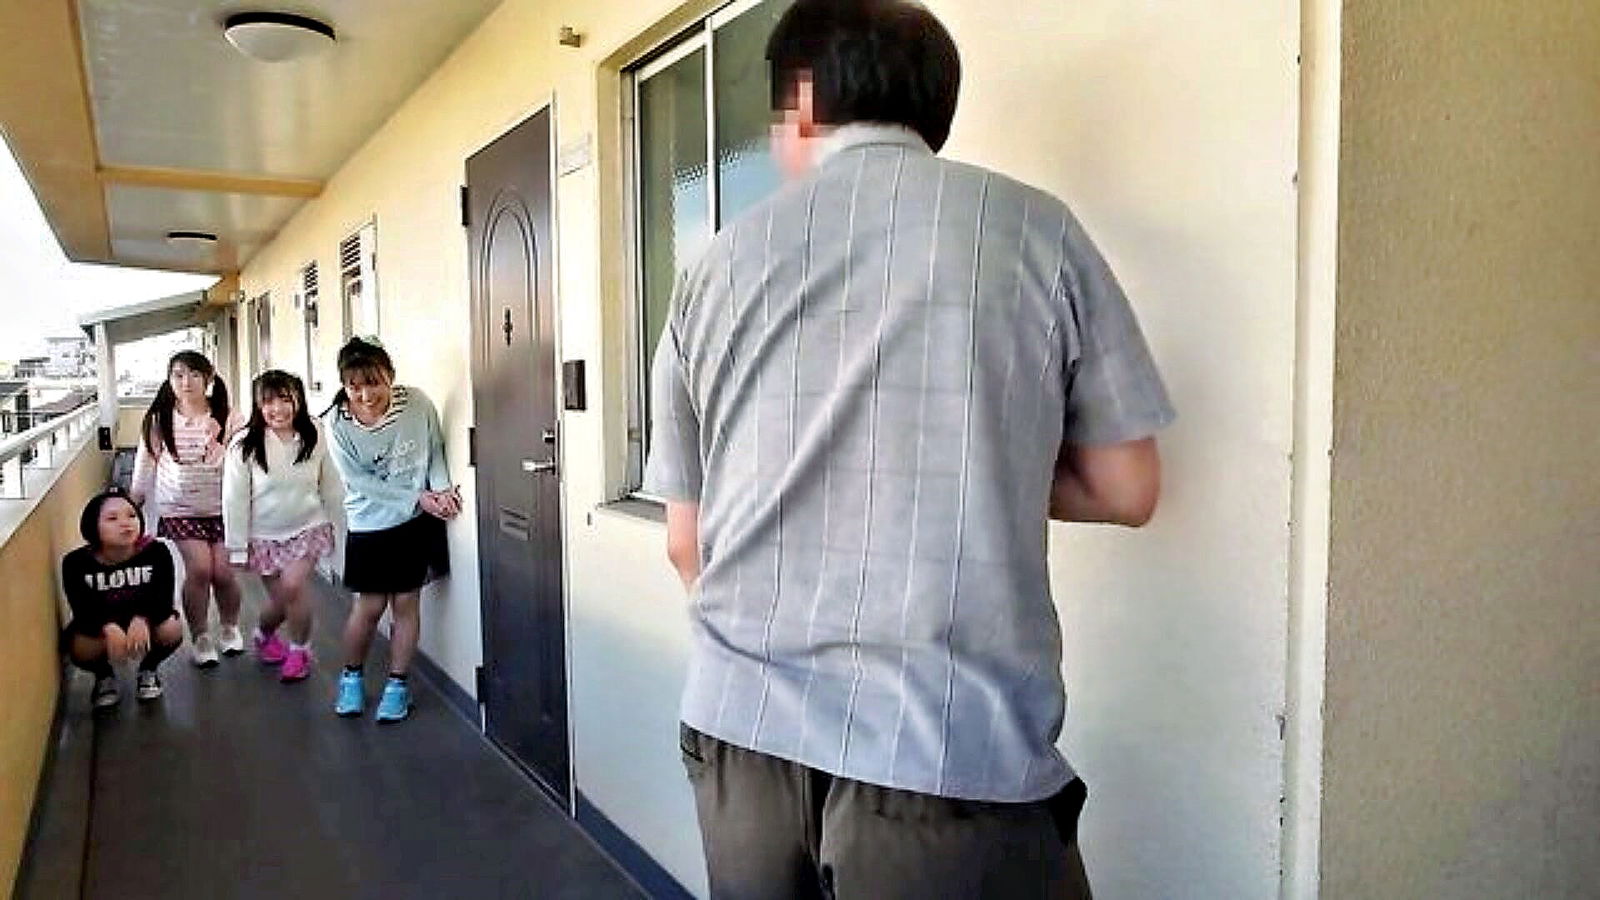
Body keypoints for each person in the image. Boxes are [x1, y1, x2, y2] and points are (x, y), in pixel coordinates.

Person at [642, 2, 1175, 896]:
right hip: (945, 756)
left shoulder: (712, 268)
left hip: (740, 741)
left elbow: (684, 541)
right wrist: (987, 456)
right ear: (934, 110)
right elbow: (1129, 487)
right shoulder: (1036, 231)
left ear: (802, 105)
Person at [323, 337, 460, 723]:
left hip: (413, 522)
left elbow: (434, 449)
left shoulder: (416, 403)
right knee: (368, 607)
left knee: (405, 606)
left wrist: (442, 489)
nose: (366, 395)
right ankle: (351, 679)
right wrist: (420, 498)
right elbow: (358, 481)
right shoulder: (336, 422)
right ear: (345, 385)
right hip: (369, 523)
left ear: (391, 377)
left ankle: (397, 686)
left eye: (374, 383)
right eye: (354, 386)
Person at [223, 370, 344, 683]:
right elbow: (234, 500)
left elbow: (330, 483)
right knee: (280, 600)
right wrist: (236, 546)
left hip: (308, 526)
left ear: (298, 400)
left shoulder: (314, 432)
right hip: (263, 536)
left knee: (293, 587)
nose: (277, 408)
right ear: (258, 406)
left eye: (285, 399)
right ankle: (264, 634)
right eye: (268, 401)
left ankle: (300, 649)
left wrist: (340, 526)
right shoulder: (244, 445)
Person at [130, 350, 245, 668]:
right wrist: (133, 502)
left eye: (194, 374)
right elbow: (145, 463)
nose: (186, 381)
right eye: (178, 374)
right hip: (179, 508)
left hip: (224, 508)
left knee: (223, 573)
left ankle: (230, 627)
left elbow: (245, 462)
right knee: (199, 570)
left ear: (208, 379)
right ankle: (200, 636)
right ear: (169, 380)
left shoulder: (229, 415)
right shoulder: (159, 419)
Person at [61, 488, 185, 708]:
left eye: (131, 515)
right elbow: (82, 608)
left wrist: (142, 618)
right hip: (102, 623)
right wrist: (107, 626)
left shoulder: (157, 552)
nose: (125, 523)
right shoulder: (75, 562)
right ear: (93, 525)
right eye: (112, 518)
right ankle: (103, 676)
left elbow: (163, 598)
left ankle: (148, 670)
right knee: (80, 646)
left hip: (141, 619)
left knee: (171, 628)